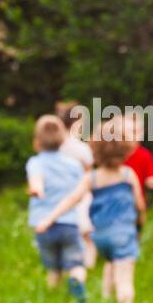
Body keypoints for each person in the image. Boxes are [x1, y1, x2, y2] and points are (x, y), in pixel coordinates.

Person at [36, 116, 145, 303]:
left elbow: (71, 199)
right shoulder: (129, 175)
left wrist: (49, 218)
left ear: (94, 149)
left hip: (101, 237)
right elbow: (140, 205)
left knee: (110, 264)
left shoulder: (92, 178)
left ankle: (104, 301)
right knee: (124, 277)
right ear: (126, 148)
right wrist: (139, 225)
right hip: (124, 234)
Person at [27, 115, 88, 303]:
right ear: (63, 141)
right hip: (69, 222)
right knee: (76, 264)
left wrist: (37, 189)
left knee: (53, 268)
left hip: (44, 225)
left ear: (36, 143)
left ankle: (52, 301)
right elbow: (81, 190)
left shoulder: (35, 163)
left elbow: (36, 181)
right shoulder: (74, 164)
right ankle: (76, 280)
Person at [56, 101, 97, 269]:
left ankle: (64, 263)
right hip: (80, 195)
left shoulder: (56, 146)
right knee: (87, 235)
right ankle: (87, 264)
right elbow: (90, 172)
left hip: (59, 194)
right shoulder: (81, 148)